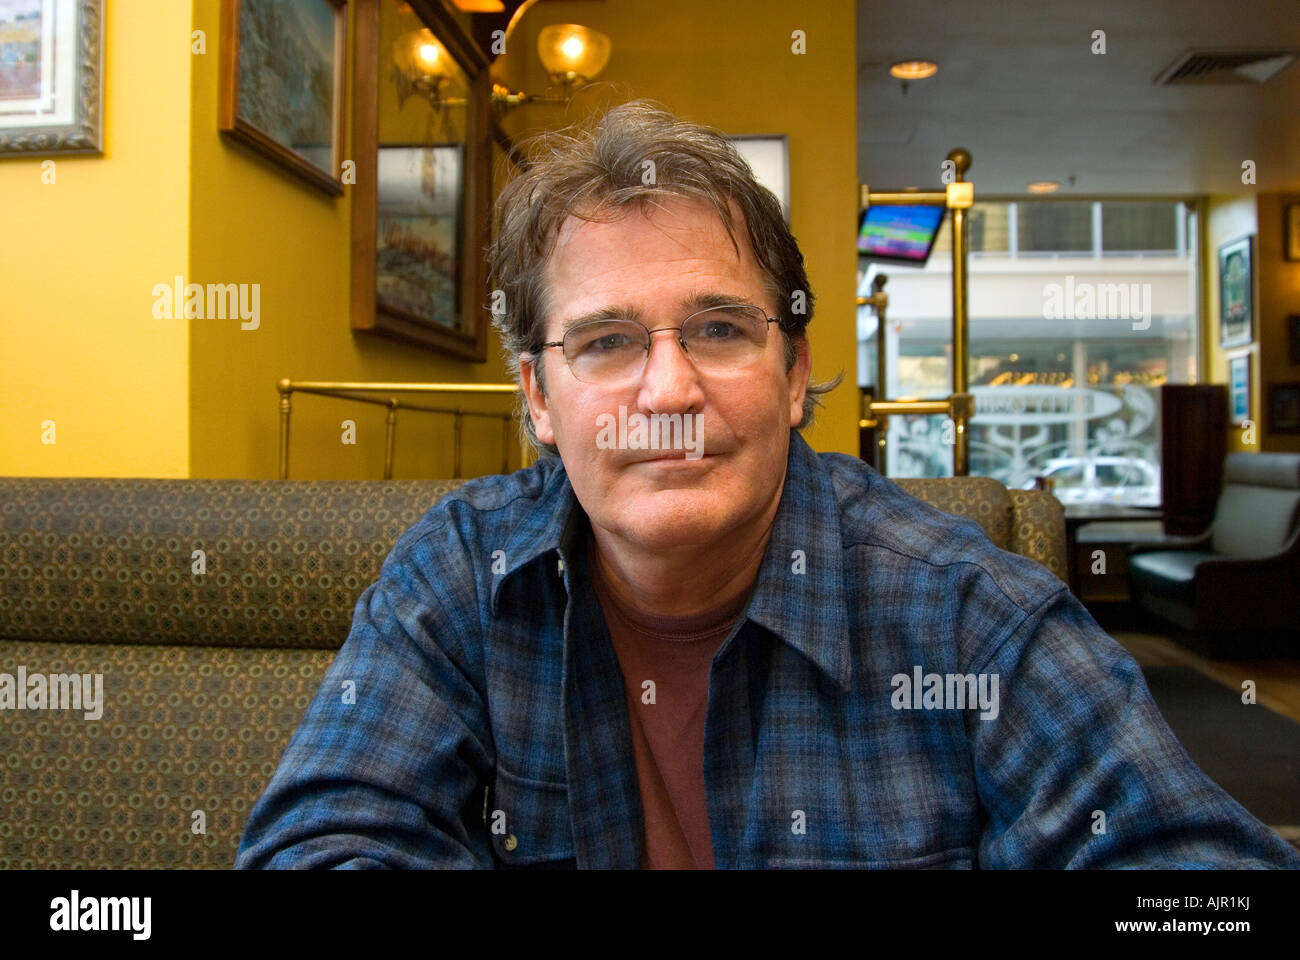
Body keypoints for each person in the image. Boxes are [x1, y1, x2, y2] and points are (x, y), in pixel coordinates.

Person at [234, 100, 1299, 869]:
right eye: (605, 340)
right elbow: (323, 843)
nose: (668, 388)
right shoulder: (457, 576)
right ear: (538, 401)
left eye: (718, 329)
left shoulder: (975, 618)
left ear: (792, 375)